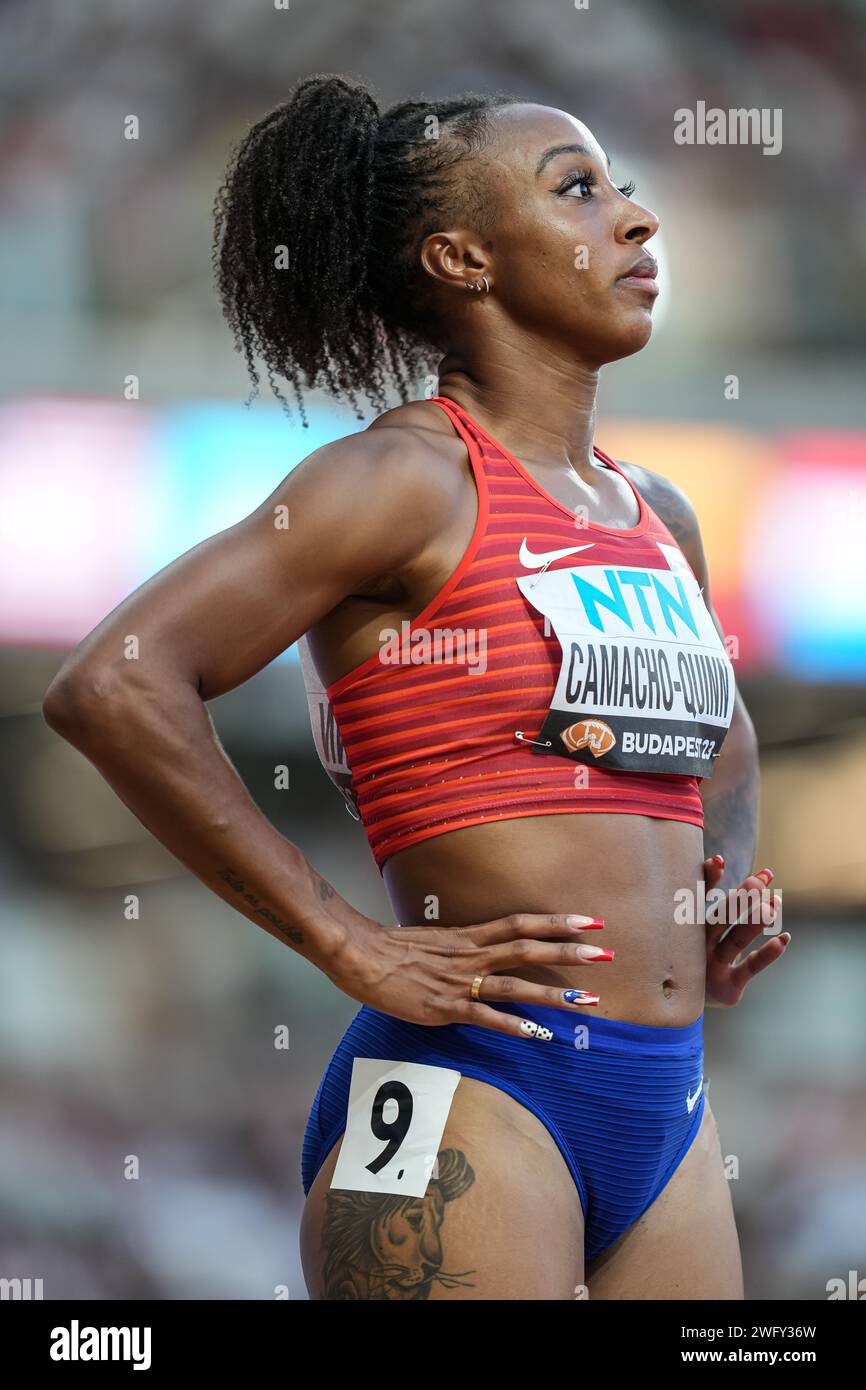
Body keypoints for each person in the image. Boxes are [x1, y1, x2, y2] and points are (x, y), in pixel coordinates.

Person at [42, 76, 789, 1301]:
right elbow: (112, 687)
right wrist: (345, 941)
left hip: (667, 1099)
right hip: (472, 1095)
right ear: (460, 258)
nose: (636, 221)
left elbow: (728, 750)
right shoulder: (400, 480)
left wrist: (727, 886)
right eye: (579, 190)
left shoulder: (660, 515)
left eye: (627, 188)